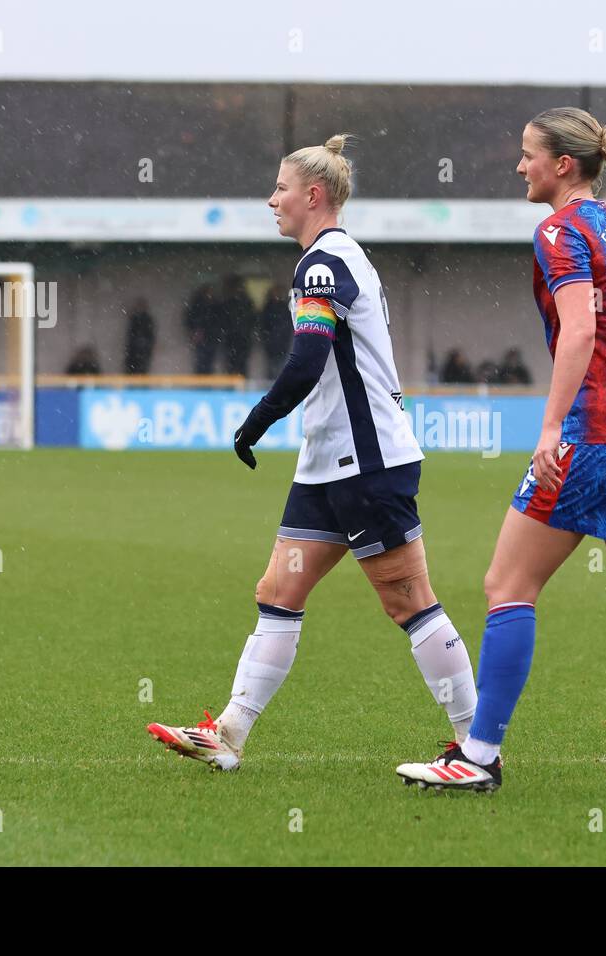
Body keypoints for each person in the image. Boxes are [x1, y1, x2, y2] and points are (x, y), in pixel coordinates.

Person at [396, 107, 606, 797]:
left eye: (529, 155)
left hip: (597, 435)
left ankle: (478, 755)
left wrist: (550, 430)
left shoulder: (558, 230)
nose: (521, 167)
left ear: (563, 165)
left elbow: (578, 333)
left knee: (507, 587)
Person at [147, 135, 478, 772]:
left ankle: (475, 745)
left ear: (313, 195)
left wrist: (255, 421)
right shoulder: (333, 258)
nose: (272, 199)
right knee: (279, 588)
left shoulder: (322, 264)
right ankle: (229, 735)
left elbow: (306, 361)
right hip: (331, 463)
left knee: (407, 599)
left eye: (280, 188)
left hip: (367, 461)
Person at [123, 297, 156, 375]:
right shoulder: (134, 318)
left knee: (142, 370)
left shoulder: (147, 319)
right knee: (131, 370)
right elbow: (130, 334)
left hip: (143, 351)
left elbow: (150, 335)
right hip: (133, 351)